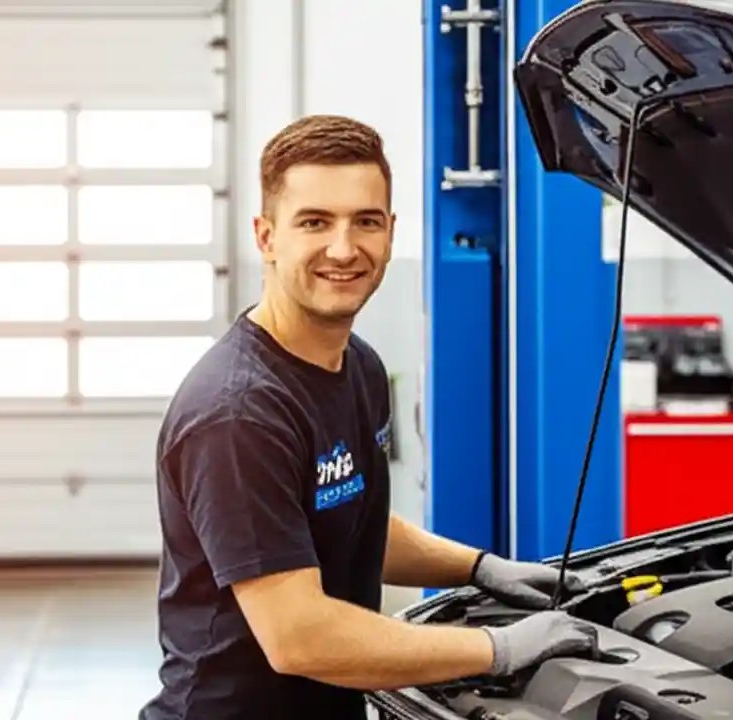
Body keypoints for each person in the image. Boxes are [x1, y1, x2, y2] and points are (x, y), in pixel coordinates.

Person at [138, 114, 598, 720]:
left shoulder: (359, 367)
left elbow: (351, 520)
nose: (344, 248)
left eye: (366, 221)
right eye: (314, 222)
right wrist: (498, 647)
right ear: (266, 236)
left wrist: (481, 569)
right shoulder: (238, 415)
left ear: (390, 232)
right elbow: (299, 637)